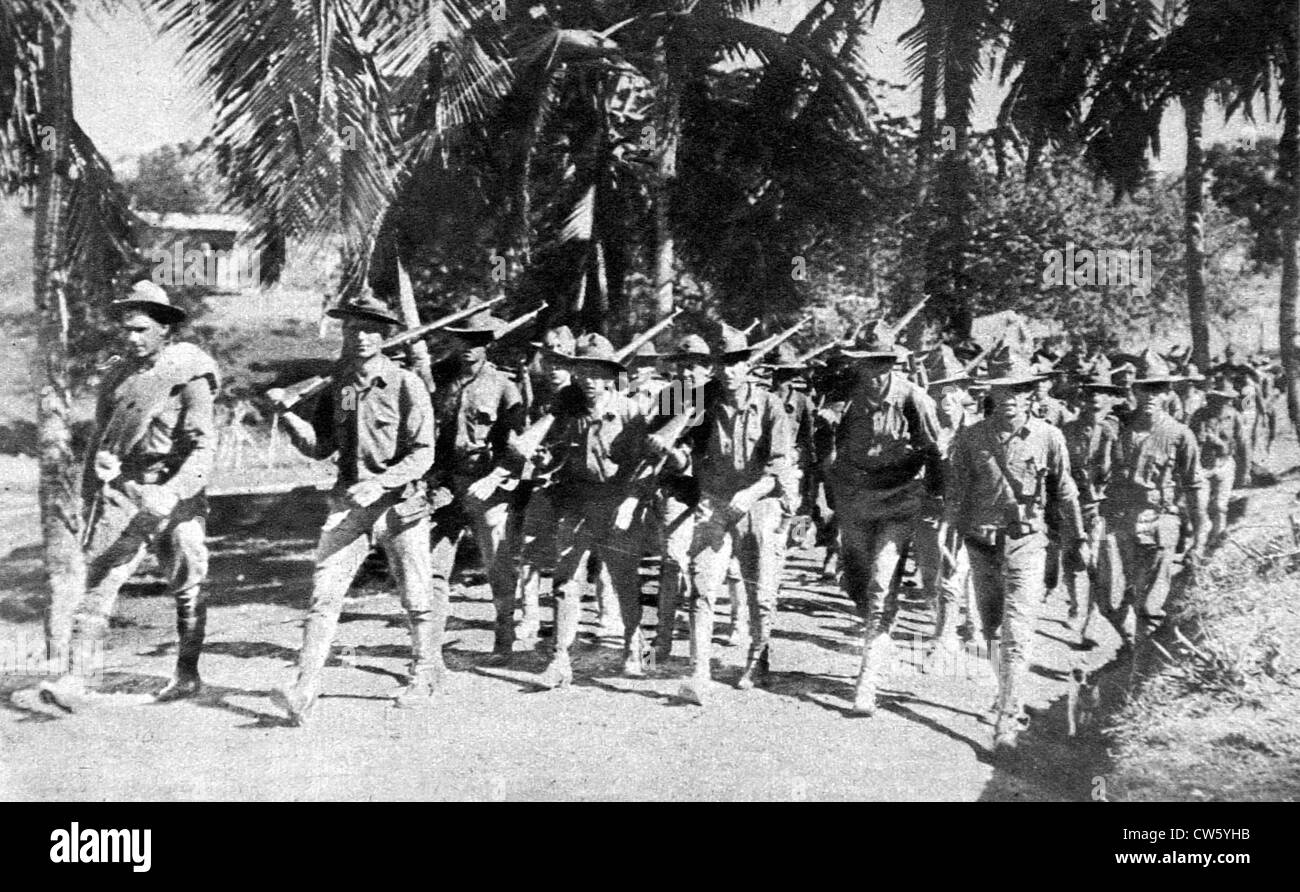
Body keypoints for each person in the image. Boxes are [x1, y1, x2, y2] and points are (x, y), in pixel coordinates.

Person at [41, 281, 220, 712]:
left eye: (141, 329)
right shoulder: (118, 375)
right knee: (100, 582)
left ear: (165, 330)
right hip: (125, 490)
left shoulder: (188, 374)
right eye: (126, 330)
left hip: (175, 494)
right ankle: (75, 679)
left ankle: (187, 674)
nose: (131, 338)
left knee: (189, 585)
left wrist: (174, 491)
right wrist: (92, 489)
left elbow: (203, 447)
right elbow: (101, 442)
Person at [268, 294, 438, 725]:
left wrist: (380, 482)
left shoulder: (405, 385)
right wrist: (288, 416)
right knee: (323, 596)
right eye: (352, 329)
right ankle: (303, 687)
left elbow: (423, 454)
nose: (360, 337)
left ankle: (423, 673)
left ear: (384, 336)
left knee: (417, 598)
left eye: (370, 330)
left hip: (401, 507)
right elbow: (321, 446)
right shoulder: (341, 386)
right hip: (349, 506)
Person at [944, 348, 1088, 753]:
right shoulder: (971, 436)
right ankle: (1008, 691)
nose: (1009, 398)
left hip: (1027, 543)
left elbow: (1065, 493)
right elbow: (956, 492)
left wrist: (1077, 542)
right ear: (990, 392)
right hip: (981, 544)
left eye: (1018, 390)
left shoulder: (1048, 437)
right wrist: (950, 538)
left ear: (1030, 394)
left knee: (1017, 632)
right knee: (991, 630)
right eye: (1002, 390)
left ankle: (1007, 720)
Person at [664, 324, 794, 704]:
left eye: (736, 363)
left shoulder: (770, 404)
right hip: (714, 504)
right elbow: (687, 447)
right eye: (721, 363)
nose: (729, 371)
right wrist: (675, 457)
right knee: (702, 586)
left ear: (748, 364)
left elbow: (780, 465)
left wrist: (752, 493)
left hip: (759, 502)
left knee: (760, 591)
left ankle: (757, 657)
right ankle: (698, 671)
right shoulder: (698, 400)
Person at [825, 321, 943, 716]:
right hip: (856, 499)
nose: (874, 373)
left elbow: (935, 452)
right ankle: (881, 625)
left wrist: (937, 501)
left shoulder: (914, 399)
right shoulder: (846, 399)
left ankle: (867, 683)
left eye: (882, 364)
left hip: (899, 499)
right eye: (867, 363)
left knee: (880, 583)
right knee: (857, 581)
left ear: (893, 363)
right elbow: (827, 448)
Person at [533, 335, 652, 687]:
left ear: (609, 376)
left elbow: (645, 465)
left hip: (616, 503)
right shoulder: (566, 410)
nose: (587, 379)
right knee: (565, 581)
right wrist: (546, 460)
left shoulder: (630, 412)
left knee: (623, 580)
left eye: (596, 372)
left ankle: (635, 645)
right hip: (576, 504)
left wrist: (630, 503)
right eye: (581, 370)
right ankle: (560, 659)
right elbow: (556, 454)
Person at [427, 313, 526, 663]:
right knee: (434, 568)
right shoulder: (435, 377)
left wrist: (493, 479)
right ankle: (430, 647)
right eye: (463, 340)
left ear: (488, 343)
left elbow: (518, 449)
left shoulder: (503, 385)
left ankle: (504, 639)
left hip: (487, 486)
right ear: (452, 340)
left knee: (497, 565)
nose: (469, 348)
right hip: (443, 486)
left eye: (478, 341)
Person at [1103, 349, 1207, 651]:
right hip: (1121, 522)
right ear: (1133, 389)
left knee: (1150, 604)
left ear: (1167, 392)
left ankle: (1141, 664)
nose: (1150, 395)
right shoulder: (1117, 427)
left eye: (1157, 389)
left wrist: (1199, 534)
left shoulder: (1179, 434)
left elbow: (1194, 485)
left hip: (1160, 522)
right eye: (1144, 387)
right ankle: (1130, 646)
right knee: (1113, 596)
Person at [512, 325, 577, 642]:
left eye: (561, 361)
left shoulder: (580, 397)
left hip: (575, 484)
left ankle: (597, 620)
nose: (553, 368)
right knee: (529, 551)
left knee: (572, 557)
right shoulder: (539, 395)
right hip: (541, 481)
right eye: (549, 360)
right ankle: (530, 615)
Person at [650, 334, 711, 662]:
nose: (689, 372)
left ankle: (707, 650)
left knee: (717, 570)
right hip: (679, 488)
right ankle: (661, 643)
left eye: (696, 366)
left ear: (707, 369)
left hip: (714, 491)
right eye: (683, 366)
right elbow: (657, 437)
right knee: (672, 561)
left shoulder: (716, 397)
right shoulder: (669, 396)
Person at [1060, 361, 1124, 645]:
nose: (1095, 399)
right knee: (1072, 558)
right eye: (1089, 393)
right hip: (1072, 503)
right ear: (1081, 397)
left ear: (1110, 398)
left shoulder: (1115, 431)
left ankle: (1092, 620)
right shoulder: (1069, 430)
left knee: (1096, 564)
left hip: (1102, 505)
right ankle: (1075, 606)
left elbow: (1121, 469)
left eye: (1101, 393)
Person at [1189, 377, 1249, 546]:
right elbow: (1192, 442)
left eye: (1225, 399)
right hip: (1203, 466)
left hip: (1225, 464)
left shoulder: (1234, 416)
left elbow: (1243, 443)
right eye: (1217, 399)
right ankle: (1197, 545)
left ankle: (1215, 541)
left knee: (1220, 507)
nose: (1221, 403)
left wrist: (1245, 471)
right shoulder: (1200, 415)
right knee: (1200, 508)